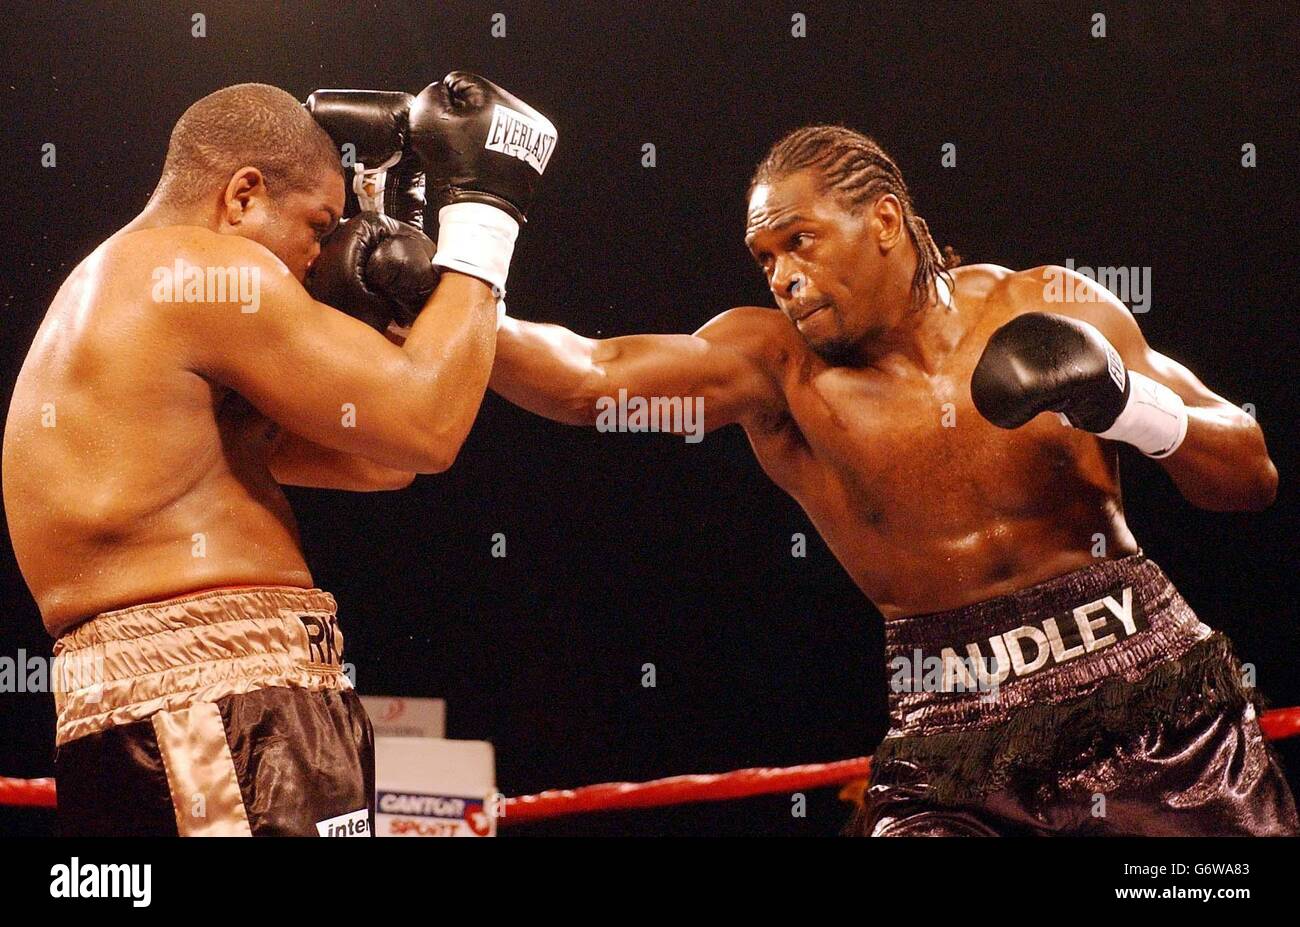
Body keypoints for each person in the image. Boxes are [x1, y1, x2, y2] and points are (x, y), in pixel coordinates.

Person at [488, 125, 1297, 835]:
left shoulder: (1042, 307)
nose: (781, 275)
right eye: (765, 257)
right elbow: (589, 378)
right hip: (949, 733)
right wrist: (456, 270)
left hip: (1149, 703)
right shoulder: (775, 369)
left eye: (800, 240)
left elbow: (1250, 472)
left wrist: (1126, 404)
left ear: (883, 219)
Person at [2, 73, 555, 835]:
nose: (318, 256)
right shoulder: (200, 271)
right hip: (219, 714)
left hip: (193, 711)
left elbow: (383, 457)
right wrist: (487, 214)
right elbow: (428, 426)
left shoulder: (128, 299)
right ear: (242, 195)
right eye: (318, 224)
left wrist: (404, 315)